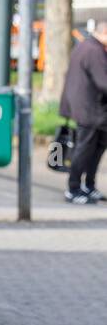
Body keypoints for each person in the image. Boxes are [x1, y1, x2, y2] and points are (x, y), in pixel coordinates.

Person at [58, 22, 107, 204]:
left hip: (90, 110)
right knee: (85, 149)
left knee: (96, 148)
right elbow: (103, 81)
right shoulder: (94, 51)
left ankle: (88, 185)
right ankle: (74, 188)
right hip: (90, 111)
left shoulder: (86, 46)